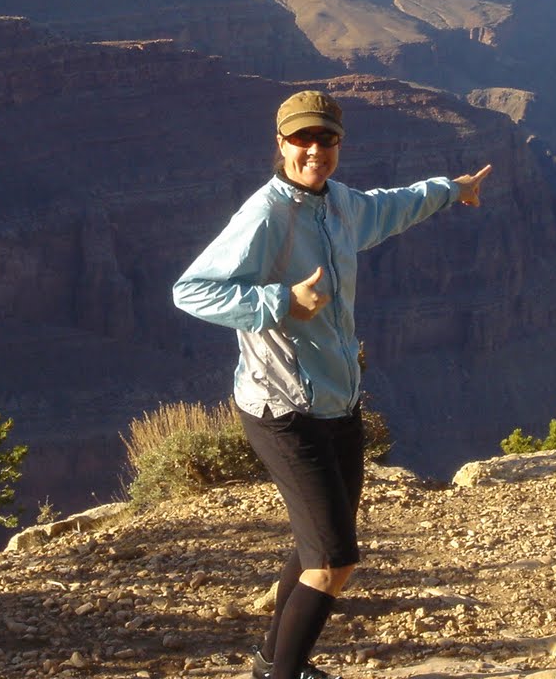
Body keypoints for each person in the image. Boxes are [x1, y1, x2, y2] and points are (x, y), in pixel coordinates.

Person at [173, 89, 492, 679]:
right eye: (301, 139)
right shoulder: (267, 214)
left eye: (326, 139)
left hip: (337, 400)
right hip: (283, 405)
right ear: (281, 143)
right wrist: (279, 301)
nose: (314, 150)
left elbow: (390, 206)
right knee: (337, 559)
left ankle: (273, 655)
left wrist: (453, 189)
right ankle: (281, 674)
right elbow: (192, 291)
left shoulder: (339, 204)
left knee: (319, 539)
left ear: (339, 144)